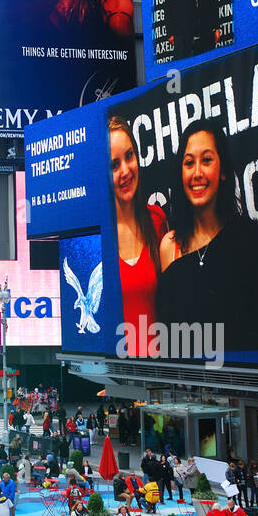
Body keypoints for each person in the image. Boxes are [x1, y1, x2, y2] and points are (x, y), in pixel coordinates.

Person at [156, 119, 258, 351]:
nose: (197, 173)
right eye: (189, 163)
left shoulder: (248, 239)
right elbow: (168, 340)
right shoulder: (170, 245)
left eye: (206, 160)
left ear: (223, 172)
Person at [108, 115, 167, 355]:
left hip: (163, 373)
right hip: (119, 374)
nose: (125, 171)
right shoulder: (96, 238)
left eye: (129, 156)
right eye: (114, 164)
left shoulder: (156, 220)